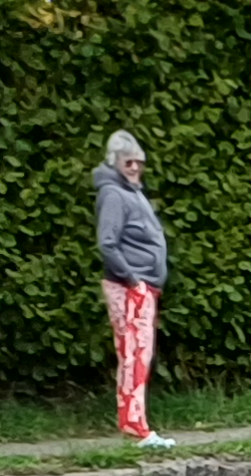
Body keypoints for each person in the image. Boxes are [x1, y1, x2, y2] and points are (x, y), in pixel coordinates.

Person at [94, 132, 173, 449]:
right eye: (129, 162)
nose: (135, 167)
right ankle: (136, 429)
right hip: (131, 288)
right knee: (134, 355)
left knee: (138, 355)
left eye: (139, 162)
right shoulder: (114, 194)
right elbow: (108, 243)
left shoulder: (132, 191)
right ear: (116, 162)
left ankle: (134, 424)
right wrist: (133, 279)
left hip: (143, 286)